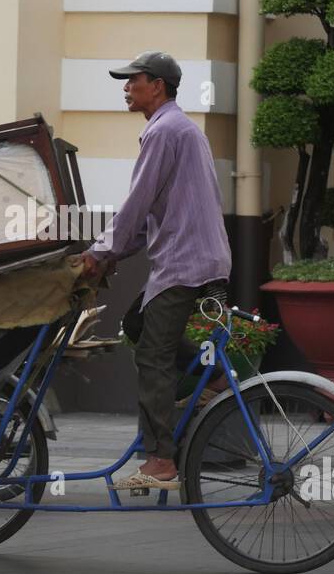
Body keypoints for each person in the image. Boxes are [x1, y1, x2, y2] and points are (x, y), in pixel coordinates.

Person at [80, 51, 232, 490]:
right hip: (191, 257)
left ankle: (160, 461)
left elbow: (136, 203)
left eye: (134, 81)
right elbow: (151, 217)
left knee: (152, 356)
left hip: (185, 262)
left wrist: (101, 252)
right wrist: (112, 253)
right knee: (136, 322)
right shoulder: (180, 128)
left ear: (158, 86)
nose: (126, 89)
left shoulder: (163, 131)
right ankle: (217, 377)